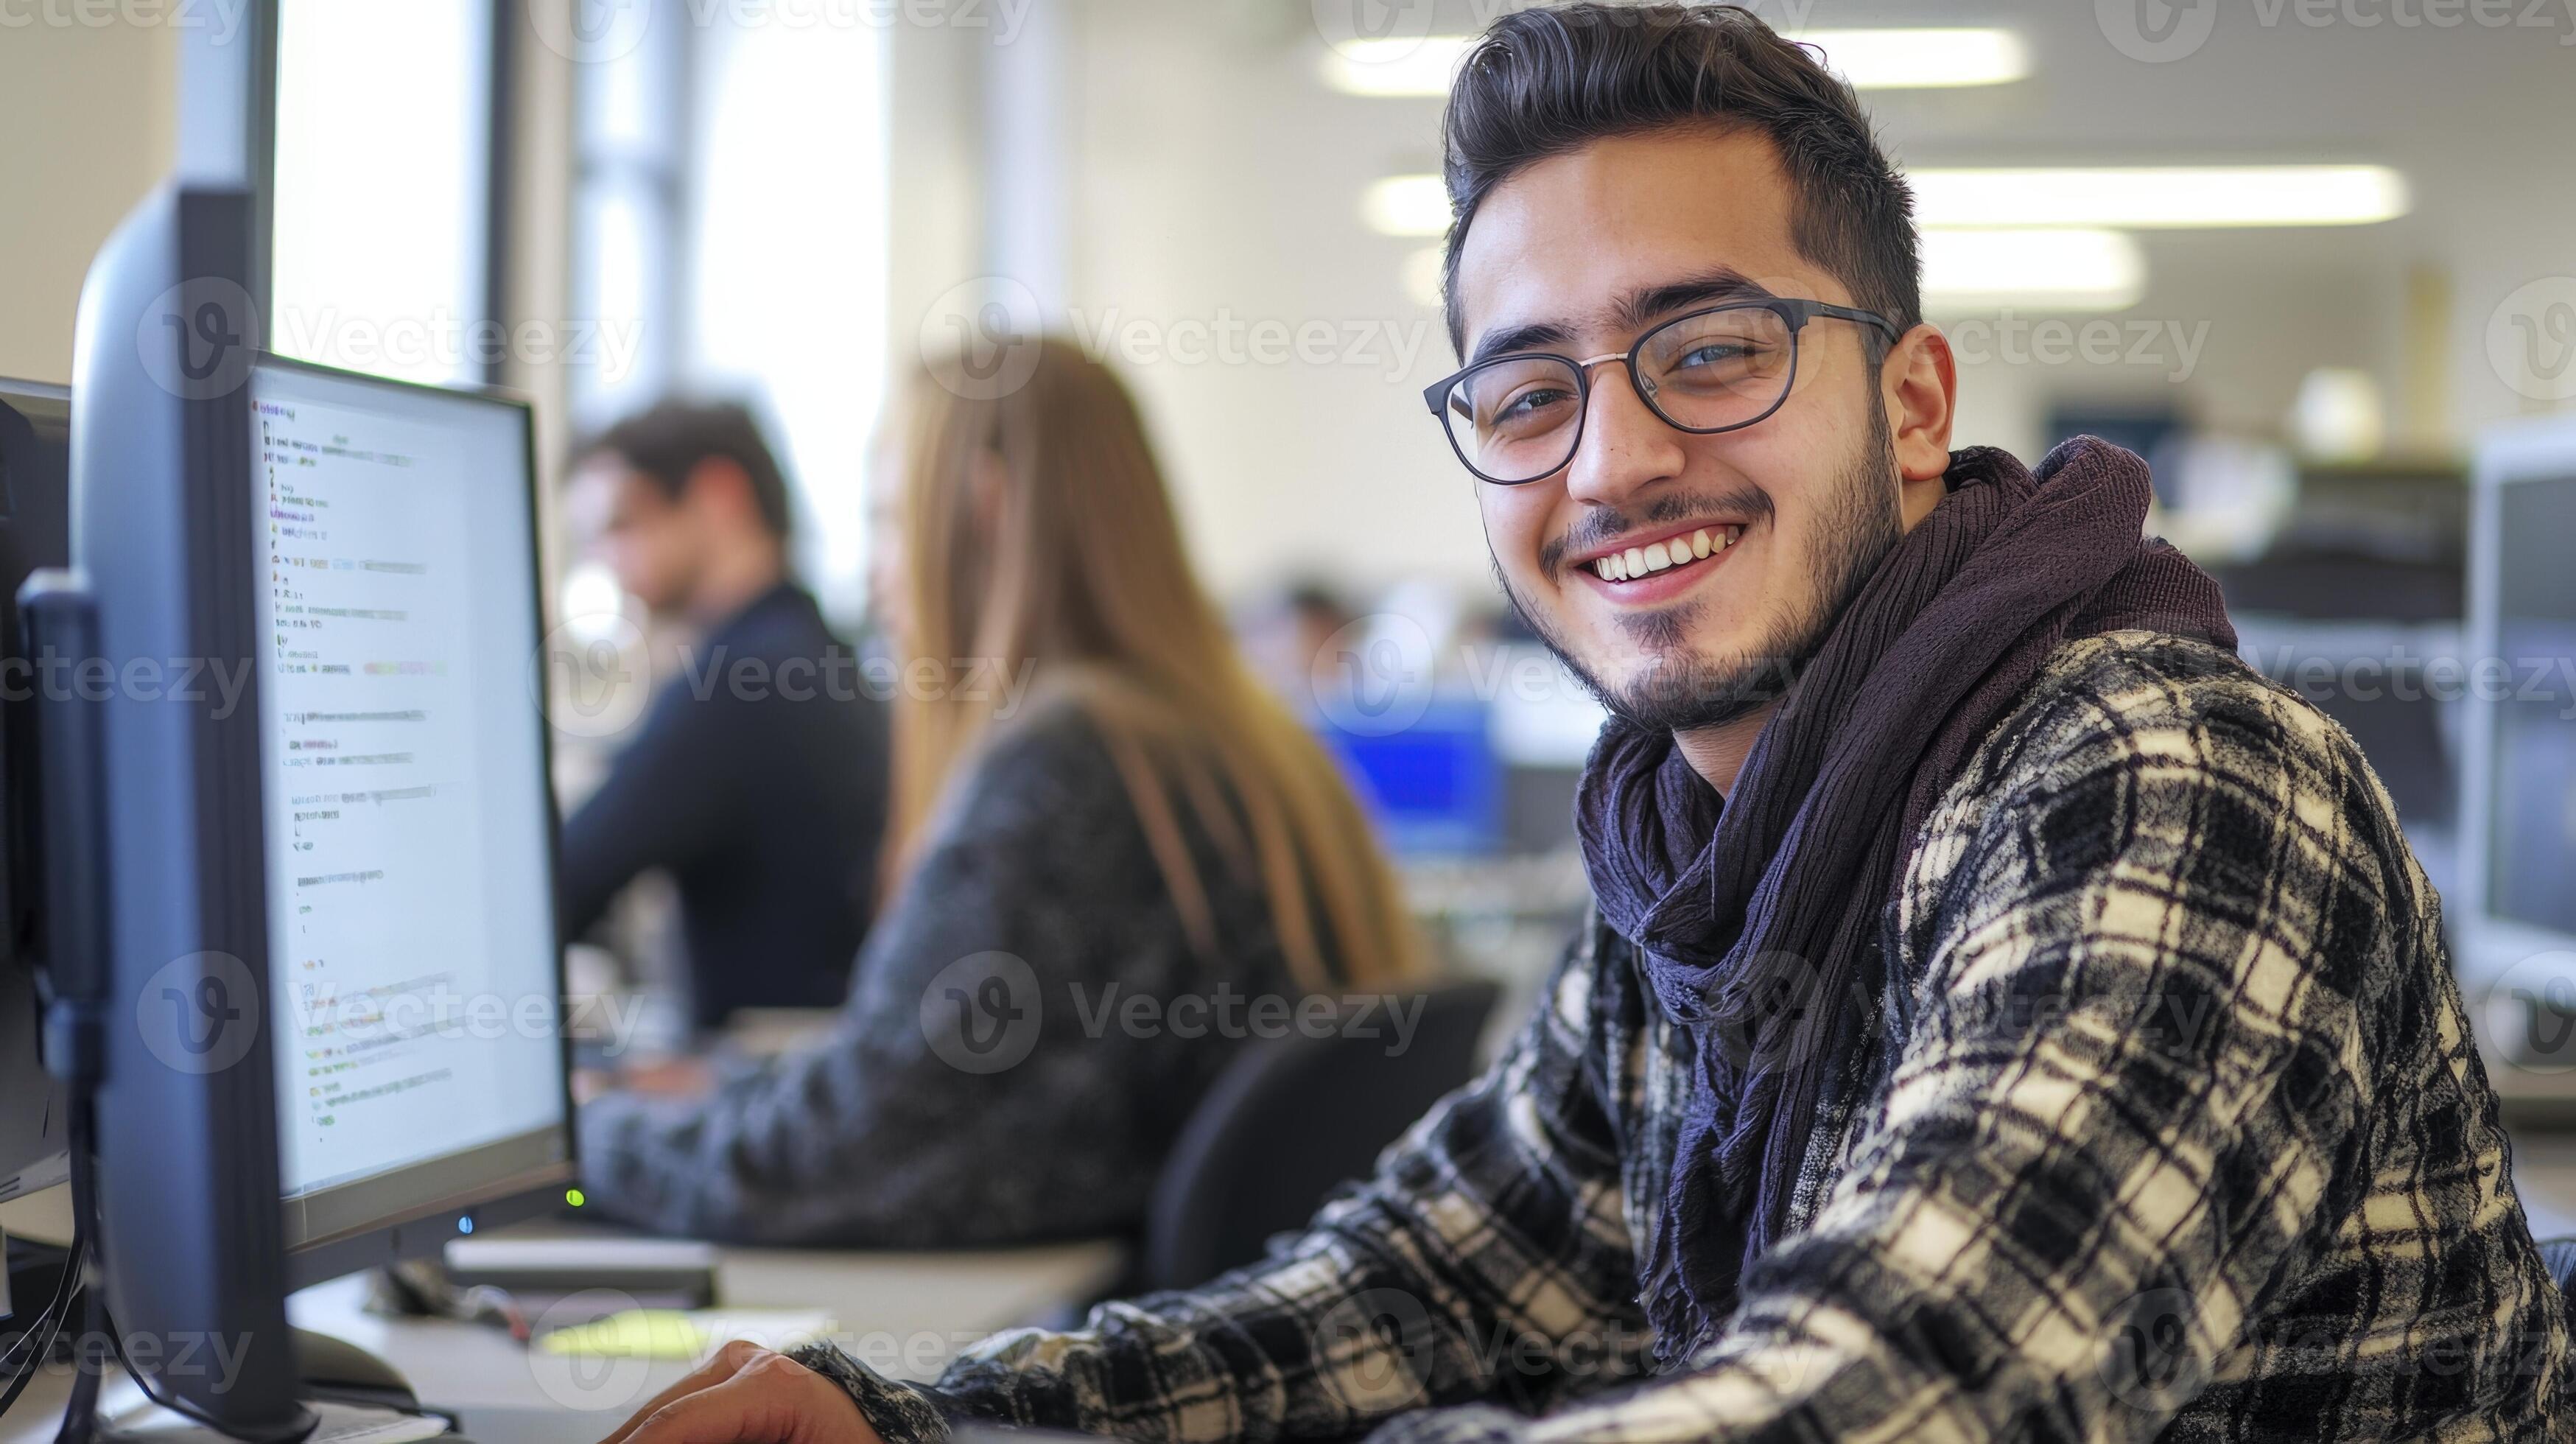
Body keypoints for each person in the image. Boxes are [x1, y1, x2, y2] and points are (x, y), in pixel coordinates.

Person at [600, 7, 2568, 1440]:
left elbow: (1912, 1390)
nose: (1613, 462)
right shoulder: (1690, 861)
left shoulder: (2159, 781)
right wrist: (914, 1424)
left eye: (1710, 351)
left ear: (1908, 401)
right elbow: (1431, 1276)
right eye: (1528, 393)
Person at [576, 343, 1420, 1246]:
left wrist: (575, 1141)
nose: (877, 572)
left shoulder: (1068, 769)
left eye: (890, 521)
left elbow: (836, 1165)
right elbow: (913, 1091)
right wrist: (714, 1090)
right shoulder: (1225, 734)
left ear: (983, 511)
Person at [560, 401, 890, 1032]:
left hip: (762, 1086)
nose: (605, 561)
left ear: (718, 496)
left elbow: (562, 885)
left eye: (621, 524)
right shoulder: (810, 647)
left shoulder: (743, 680)